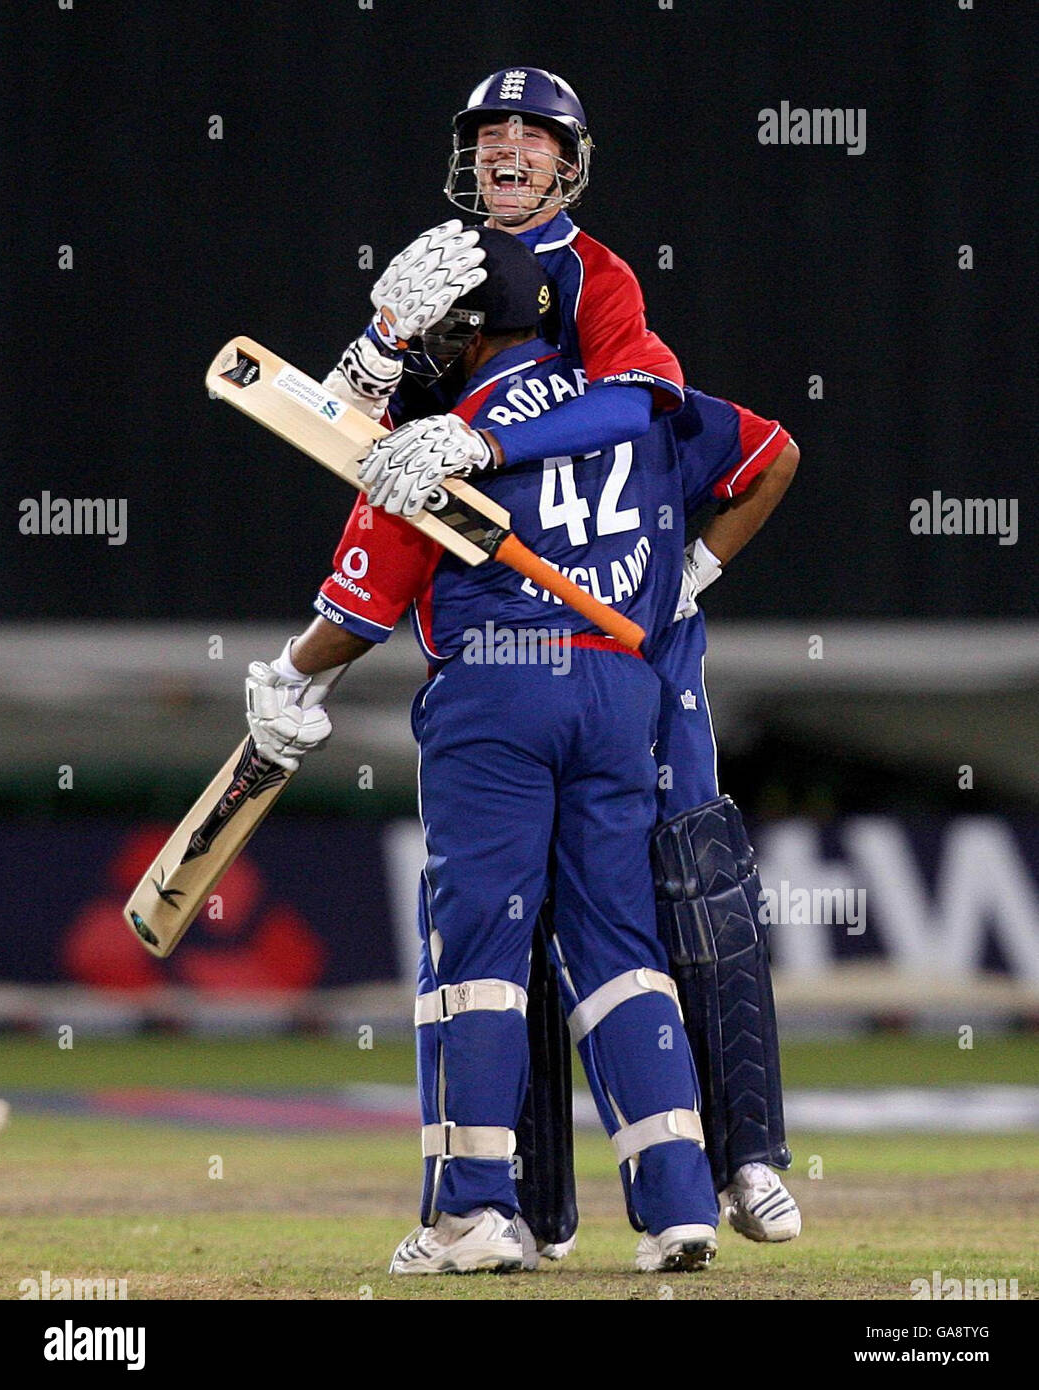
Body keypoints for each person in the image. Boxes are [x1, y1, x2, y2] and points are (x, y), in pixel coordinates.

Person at [320, 67, 803, 1248]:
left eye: (532, 135)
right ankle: (661, 1203)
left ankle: (709, 1165)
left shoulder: (590, 299)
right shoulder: (458, 361)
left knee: (642, 903)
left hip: (548, 659)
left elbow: (645, 398)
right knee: (620, 935)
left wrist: (460, 431)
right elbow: (354, 421)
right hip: (612, 666)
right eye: (489, 132)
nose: (506, 149)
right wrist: (379, 352)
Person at [248, 233, 723, 1274]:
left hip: (496, 695)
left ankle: (471, 1213)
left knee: (477, 958)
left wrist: (290, 675)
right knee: (617, 945)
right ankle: (680, 1205)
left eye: (428, 332)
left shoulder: (445, 433)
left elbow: (359, 605)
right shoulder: (627, 408)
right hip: (618, 691)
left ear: (461, 331)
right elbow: (751, 453)